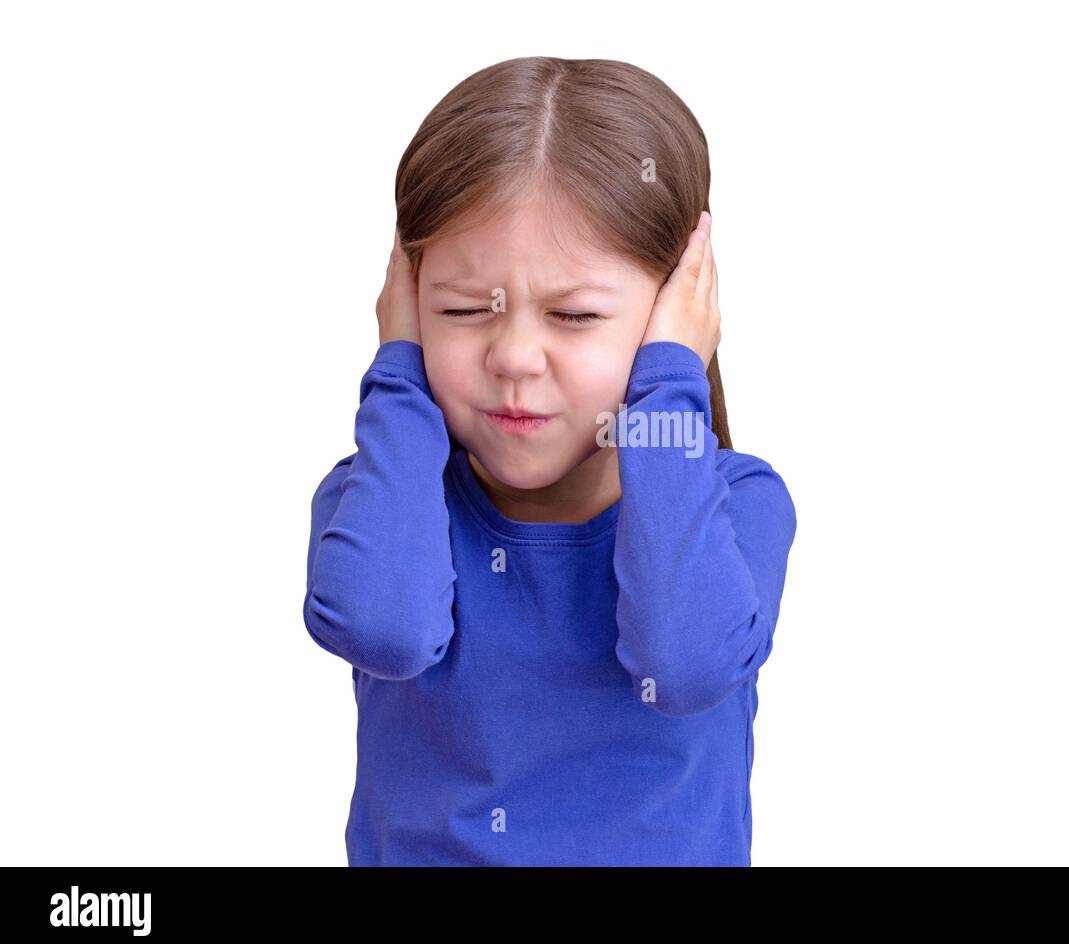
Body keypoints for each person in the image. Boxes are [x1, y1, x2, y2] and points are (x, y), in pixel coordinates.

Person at [303, 56, 797, 865]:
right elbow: (386, 631)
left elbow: (683, 665)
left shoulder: (741, 502)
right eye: (463, 309)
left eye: (573, 315)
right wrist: (397, 369)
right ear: (409, 302)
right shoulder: (381, 496)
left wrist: (671, 382)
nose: (516, 358)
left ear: (680, 310)